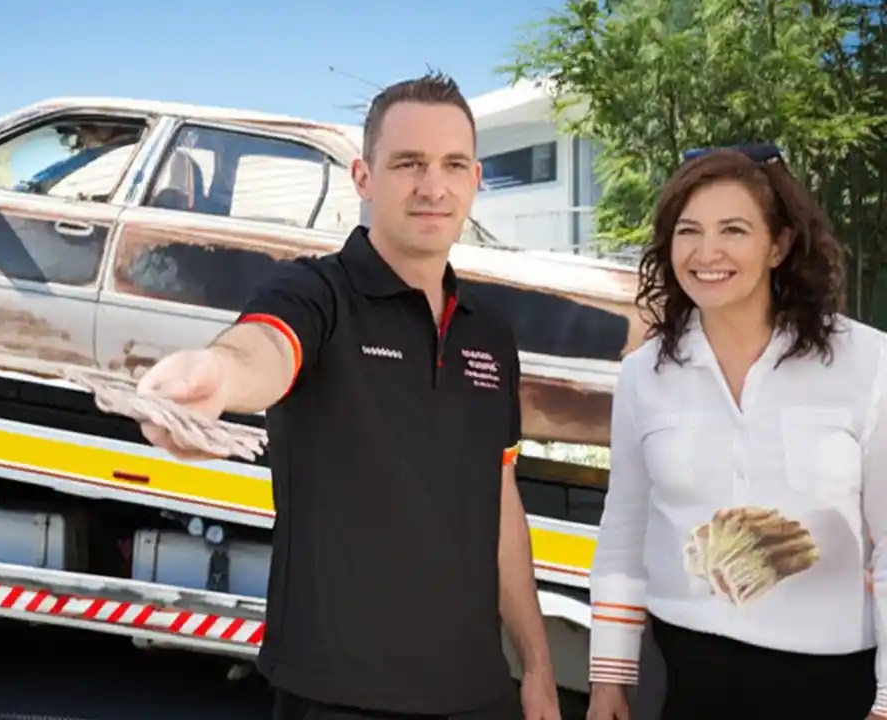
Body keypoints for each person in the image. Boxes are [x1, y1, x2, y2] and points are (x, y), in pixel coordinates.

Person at [133, 71, 560, 720]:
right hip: (335, 697)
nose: (432, 186)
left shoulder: (491, 335)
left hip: (479, 693)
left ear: (476, 179)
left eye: (452, 165)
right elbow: (266, 348)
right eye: (408, 163)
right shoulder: (317, 294)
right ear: (364, 178)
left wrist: (536, 667)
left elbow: (500, 501)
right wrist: (216, 374)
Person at [585, 144, 887, 720]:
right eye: (688, 230)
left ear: (778, 244)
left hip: (834, 686)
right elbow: (625, 529)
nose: (707, 252)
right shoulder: (644, 376)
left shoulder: (868, 365)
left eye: (734, 230)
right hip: (684, 678)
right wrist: (609, 679)